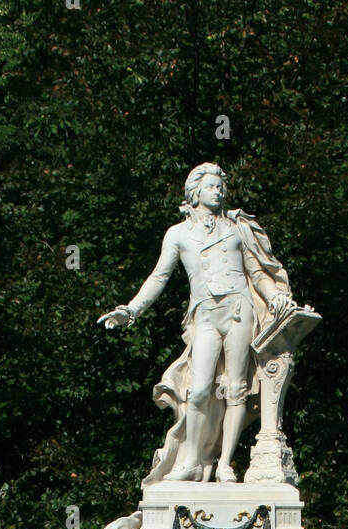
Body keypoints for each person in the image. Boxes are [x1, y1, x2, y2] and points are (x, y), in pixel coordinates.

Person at [98, 163, 293, 483]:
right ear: (196, 191)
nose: (219, 191)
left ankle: (226, 464)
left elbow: (257, 273)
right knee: (199, 389)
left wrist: (275, 297)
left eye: (221, 187)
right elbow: (158, 277)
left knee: (236, 388)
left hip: (238, 309)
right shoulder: (178, 234)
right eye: (212, 186)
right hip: (205, 315)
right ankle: (191, 461)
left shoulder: (235, 228)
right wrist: (131, 310)